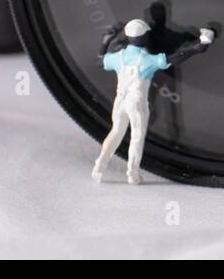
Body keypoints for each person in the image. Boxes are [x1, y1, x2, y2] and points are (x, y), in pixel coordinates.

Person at [91, 18, 215, 184]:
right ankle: (132, 174)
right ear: (145, 37)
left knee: (115, 132)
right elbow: (173, 59)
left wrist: (106, 40)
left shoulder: (118, 57)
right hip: (136, 102)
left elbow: (99, 61)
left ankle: (99, 167)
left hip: (119, 101)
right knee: (137, 137)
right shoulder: (147, 60)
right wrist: (198, 47)